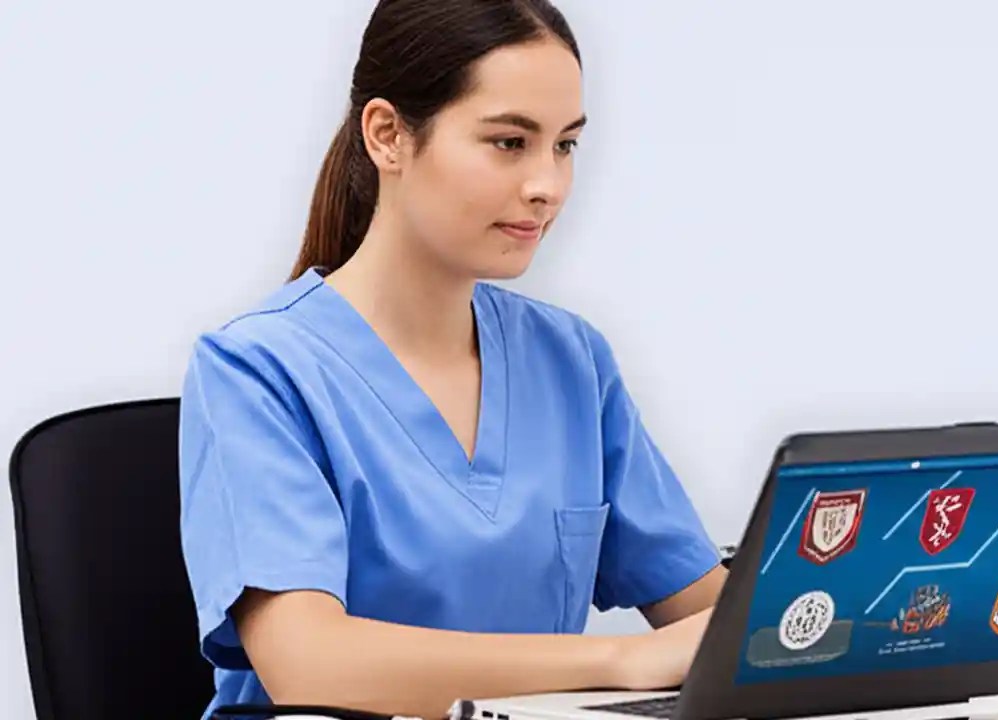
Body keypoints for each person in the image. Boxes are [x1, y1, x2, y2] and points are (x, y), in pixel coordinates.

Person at [176, 1, 727, 718]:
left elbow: (720, 622)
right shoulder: (256, 370)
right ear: (388, 136)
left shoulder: (571, 362)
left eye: (565, 146)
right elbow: (309, 664)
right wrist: (620, 660)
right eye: (508, 143)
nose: (547, 186)